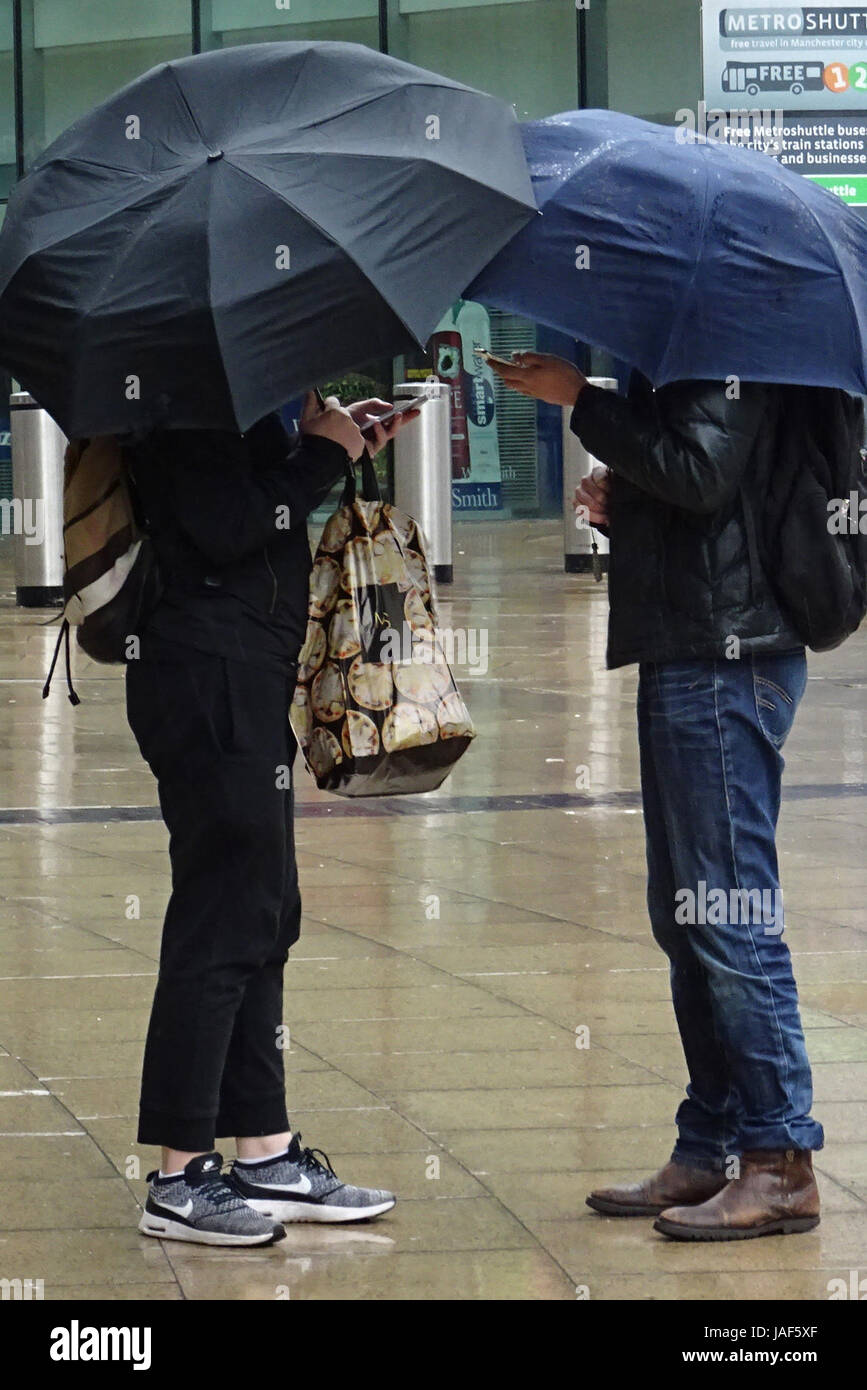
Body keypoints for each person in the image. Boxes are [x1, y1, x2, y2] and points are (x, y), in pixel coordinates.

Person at [491, 352, 826, 1242]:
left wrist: (584, 403)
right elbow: (697, 482)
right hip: (693, 645)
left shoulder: (730, 342)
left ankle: (780, 1160)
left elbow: (704, 471)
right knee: (685, 915)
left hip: (728, 654)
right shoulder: (696, 347)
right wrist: (624, 496)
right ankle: (711, 1146)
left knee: (727, 910)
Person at [125, 391, 416, 1246]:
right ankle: (179, 1176)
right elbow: (226, 524)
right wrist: (320, 453)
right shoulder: (182, 394)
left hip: (242, 674)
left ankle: (265, 1150)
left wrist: (327, 438)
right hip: (205, 679)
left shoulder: (222, 390)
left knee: (264, 911)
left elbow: (252, 505)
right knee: (223, 916)